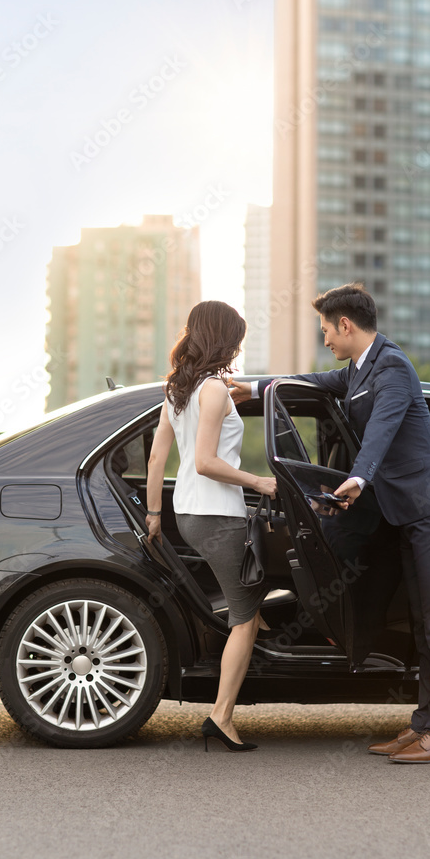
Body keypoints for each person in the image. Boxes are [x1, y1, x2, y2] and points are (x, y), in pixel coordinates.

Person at [232, 284, 430, 764]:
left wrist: (359, 475)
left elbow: (382, 428)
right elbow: (315, 381)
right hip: (405, 515)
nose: (325, 339)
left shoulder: (394, 368)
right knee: (423, 624)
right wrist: (256, 387)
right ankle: (423, 723)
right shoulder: (358, 370)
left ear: (346, 324)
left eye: (326, 329)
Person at [146, 301, 277, 753]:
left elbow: (157, 458)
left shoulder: (179, 389)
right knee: (244, 622)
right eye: (237, 337)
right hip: (219, 516)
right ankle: (221, 717)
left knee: (249, 613)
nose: (239, 345)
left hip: (187, 515)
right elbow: (205, 462)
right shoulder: (213, 391)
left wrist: (154, 514)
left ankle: (226, 702)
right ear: (224, 338)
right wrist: (259, 481)